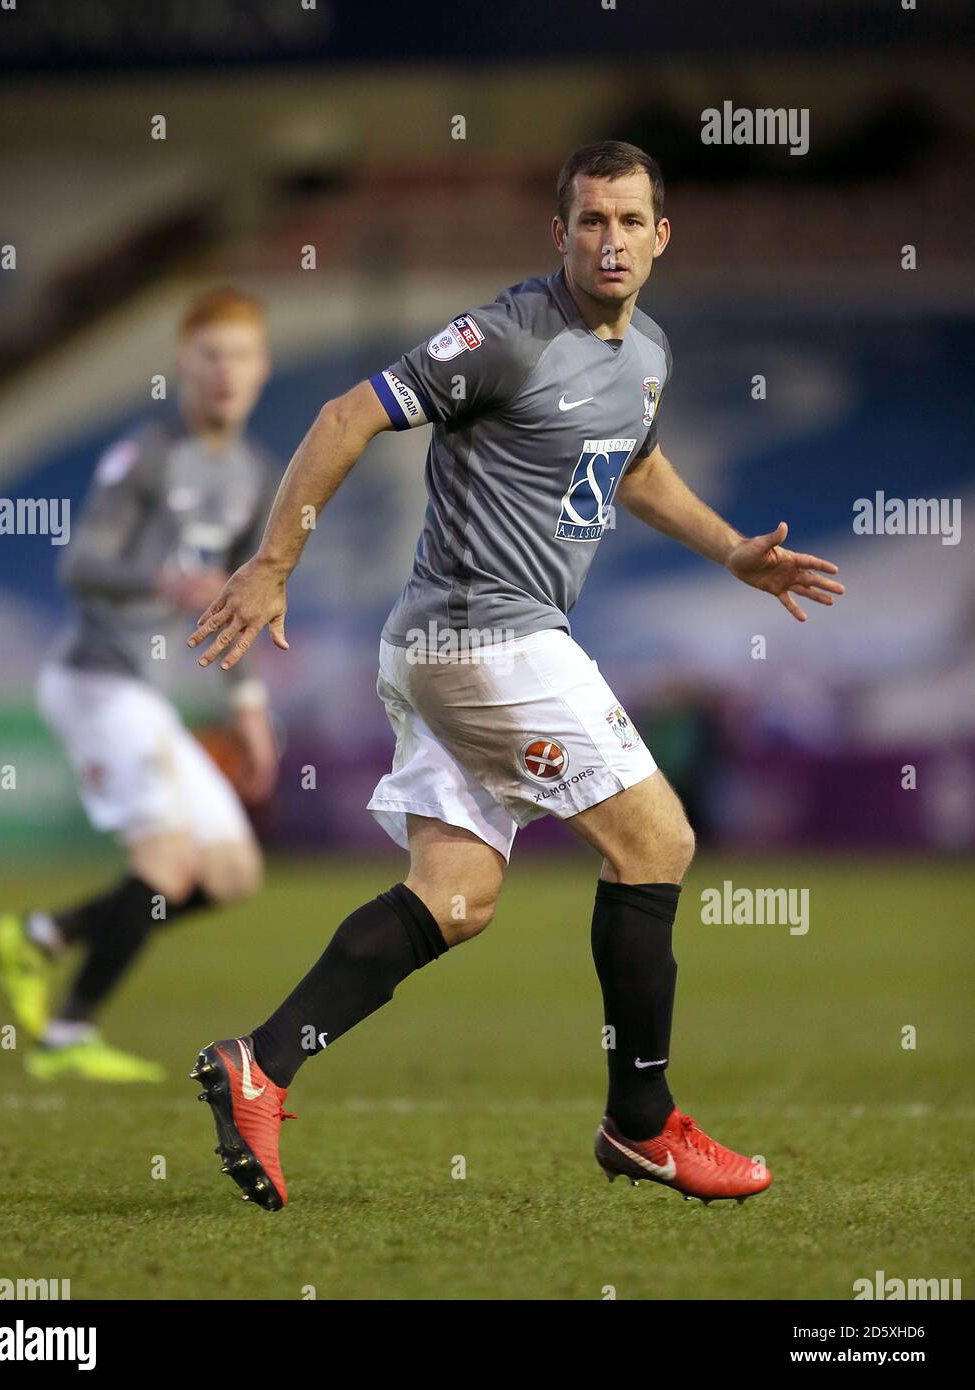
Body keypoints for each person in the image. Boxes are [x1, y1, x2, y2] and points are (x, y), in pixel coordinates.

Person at [185, 142, 844, 1209]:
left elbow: (630, 464)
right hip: (478, 634)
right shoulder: (502, 335)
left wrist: (730, 550)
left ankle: (260, 1064)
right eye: (590, 221)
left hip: (461, 649)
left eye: (630, 221)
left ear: (661, 235)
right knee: (658, 839)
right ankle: (641, 1123)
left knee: (454, 895)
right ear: (560, 232)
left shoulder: (648, 356)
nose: (611, 240)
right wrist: (272, 563)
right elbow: (344, 416)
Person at [0, 288, 280, 1082]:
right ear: (183, 368)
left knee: (230, 874)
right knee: (166, 862)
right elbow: (78, 564)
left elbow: (239, 600)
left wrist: (248, 707)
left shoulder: (255, 474)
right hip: (94, 678)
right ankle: (65, 1034)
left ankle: (45, 934)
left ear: (262, 370)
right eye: (210, 356)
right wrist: (162, 580)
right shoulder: (146, 456)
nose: (226, 373)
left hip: (145, 695)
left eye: (241, 356)